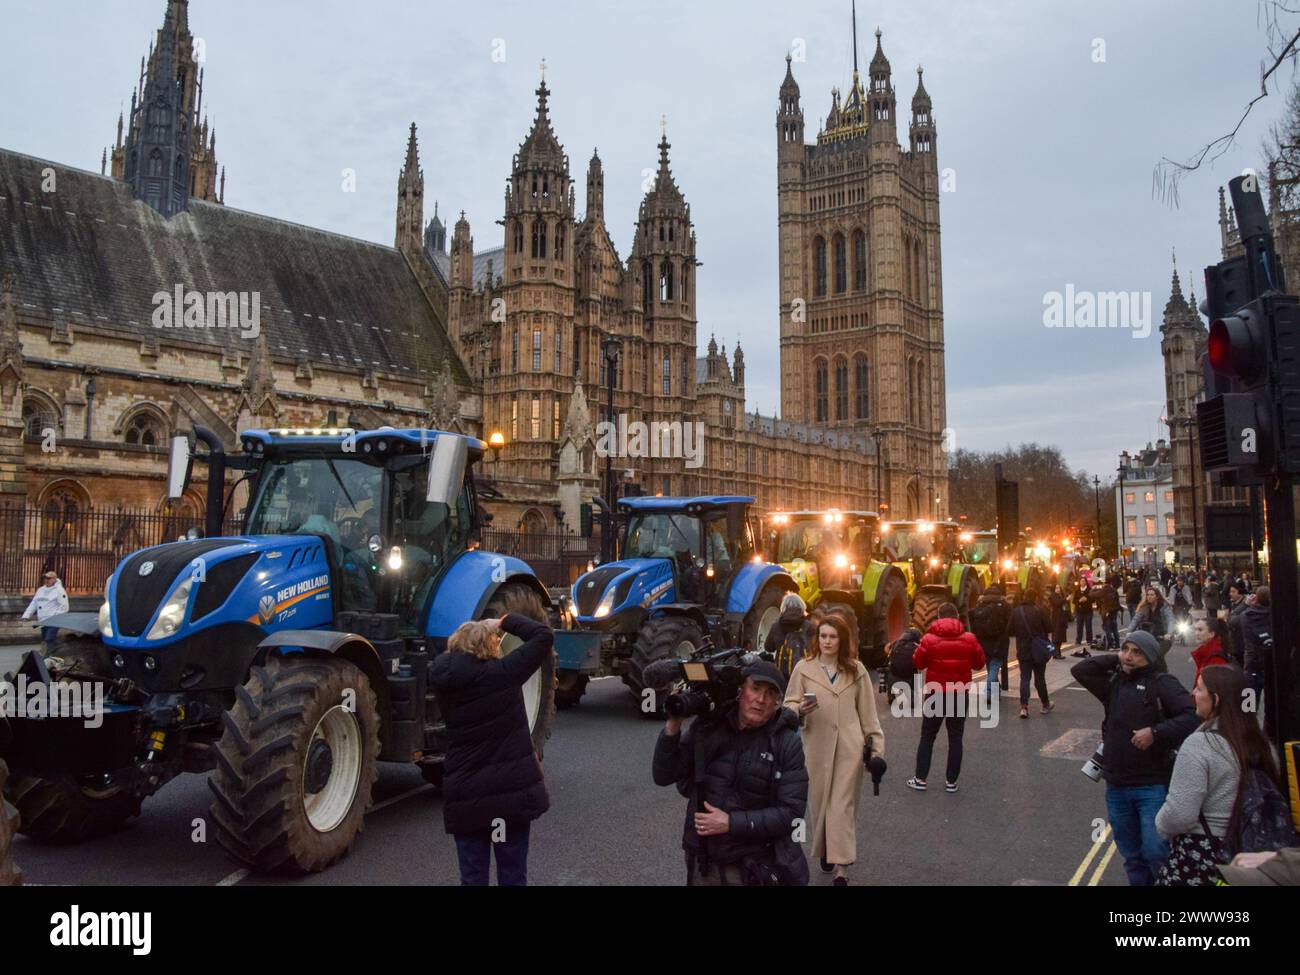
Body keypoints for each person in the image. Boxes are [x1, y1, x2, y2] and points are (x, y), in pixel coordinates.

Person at [655, 661, 809, 886]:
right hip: (702, 858)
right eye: (755, 689)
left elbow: (792, 814)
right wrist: (673, 726)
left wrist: (730, 822)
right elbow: (663, 776)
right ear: (740, 692)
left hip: (752, 863)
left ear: (778, 702)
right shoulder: (710, 727)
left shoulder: (787, 742)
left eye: (770, 694)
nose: (760, 699)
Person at [429, 614, 553, 886]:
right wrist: (505, 620)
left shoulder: (443, 682)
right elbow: (543, 636)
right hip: (509, 794)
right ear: (487, 645)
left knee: (472, 878)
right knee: (512, 875)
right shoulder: (505, 674)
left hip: (466, 793)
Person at [1071, 632, 1199, 885]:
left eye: (1137, 652)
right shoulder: (1115, 683)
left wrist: (1155, 732)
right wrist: (1119, 658)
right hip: (1116, 786)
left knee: (1155, 851)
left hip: (1151, 785)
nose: (1129, 655)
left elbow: (1191, 716)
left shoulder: (1163, 683)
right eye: (1126, 649)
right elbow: (1080, 670)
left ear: (1151, 657)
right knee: (1132, 856)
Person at [1155, 665, 1282, 885]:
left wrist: (1159, 823)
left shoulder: (1200, 744)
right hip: (1253, 856)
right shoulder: (1264, 745)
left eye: (1200, 689)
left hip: (1202, 855)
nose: (1193, 693)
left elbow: (1179, 815)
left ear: (1217, 699)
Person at [784, 612, 882, 886]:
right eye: (823, 636)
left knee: (842, 806)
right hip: (815, 748)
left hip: (850, 749)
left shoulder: (857, 670)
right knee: (819, 804)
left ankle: (842, 869)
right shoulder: (804, 668)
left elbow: (869, 715)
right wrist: (799, 709)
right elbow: (788, 703)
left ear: (842, 639)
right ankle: (827, 847)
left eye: (833, 636)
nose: (827, 641)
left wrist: (876, 752)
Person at [907, 604, 984, 793]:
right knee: (955, 738)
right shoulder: (970, 639)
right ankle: (951, 782)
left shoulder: (929, 639)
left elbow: (917, 662)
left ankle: (920, 778)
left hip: (935, 694)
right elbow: (979, 664)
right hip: (959, 694)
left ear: (938, 617)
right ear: (957, 616)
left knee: (928, 737)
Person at [1010, 587, 1053, 719]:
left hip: (1023, 649)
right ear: (1035, 597)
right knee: (1040, 678)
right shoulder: (1040, 610)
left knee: (1025, 678)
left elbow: (1010, 631)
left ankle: (1024, 707)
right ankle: (1045, 704)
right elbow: (1049, 627)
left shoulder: (1016, 612)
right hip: (1038, 649)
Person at [969, 584, 1012, 703]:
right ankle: (988, 692)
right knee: (994, 667)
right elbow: (1010, 624)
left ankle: (996, 692)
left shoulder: (980, 605)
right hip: (1000, 641)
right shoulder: (1004, 606)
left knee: (990, 667)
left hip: (983, 642)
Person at [765, 592, 811, 680]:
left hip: (782, 675)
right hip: (804, 675)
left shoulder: (776, 626)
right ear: (802, 606)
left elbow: (768, 648)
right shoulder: (810, 626)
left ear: (783, 607)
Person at [1237, 586, 1272, 699]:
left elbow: (1232, 620)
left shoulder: (1246, 615)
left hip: (1252, 665)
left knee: (1248, 708)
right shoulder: (1276, 614)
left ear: (1256, 598)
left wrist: (1245, 604)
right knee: (1273, 706)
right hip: (1271, 663)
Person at [23, 571, 69, 651]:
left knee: (49, 639)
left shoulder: (59, 590)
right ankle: (56, 652)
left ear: (54, 579)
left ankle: (49, 655)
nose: (46, 580)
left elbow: (64, 607)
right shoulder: (41, 590)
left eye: (49, 578)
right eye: (45, 578)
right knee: (45, 639)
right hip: (43, 620)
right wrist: (27, 615)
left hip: (53, 621)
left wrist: (55, 617)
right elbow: (34, 603)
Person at [1189, 617, 1232, 684]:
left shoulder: (1215, 657)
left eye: (1200, 630)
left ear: (1212, 634)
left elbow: (1214, 686)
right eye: (1195, 630)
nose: (1196, 633)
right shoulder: (1206, 651)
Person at [1224, 581, 1251, 667]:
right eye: (1230, 591)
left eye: (1233, 591)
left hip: (1242, 646)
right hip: (1235, 645)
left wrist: (1229, 618)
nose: (1230, 594)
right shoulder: (1233, 603)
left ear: (1240, 592)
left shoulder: (1246, 605)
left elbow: (1233, 622)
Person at [1092, 577, 1120, 653]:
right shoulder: (1114, 590)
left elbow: (1092, 594)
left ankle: (1110, 645)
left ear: (1104, 583)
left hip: (1106, 612)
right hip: (1114, 612)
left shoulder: (1103, 591)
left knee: (1107, 628)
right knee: (1114, 629)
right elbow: (1117, 601)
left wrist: (1094, 589)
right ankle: (1117, 645)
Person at [1073, 581, 1095, 649]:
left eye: (1083, 581)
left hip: (1088, 611)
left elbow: (1093, 599)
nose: (1082, 582)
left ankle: (1089, 640)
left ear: (1086, 582)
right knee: (1079, 627)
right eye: (1081, 581)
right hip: (1079, 611)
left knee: (1088, 626)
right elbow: (1074, 601)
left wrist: (1087, 599)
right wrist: (1079, 601)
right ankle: (1078, 640)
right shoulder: (1077, 591)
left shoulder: (1089, 590)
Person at [1048, 584, 1069, 652]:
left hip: (1062, 619)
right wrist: (1065, 599)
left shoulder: (1061, 595)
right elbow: (1057, 603)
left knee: (1060, 637)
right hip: (1056, 619)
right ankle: (1055, 653)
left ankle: (1058, 652)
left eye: (1059, 588)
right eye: (1056, 588)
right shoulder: (1053, 596)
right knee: (1056, 637)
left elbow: (1064, 606)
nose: (1058, 589)